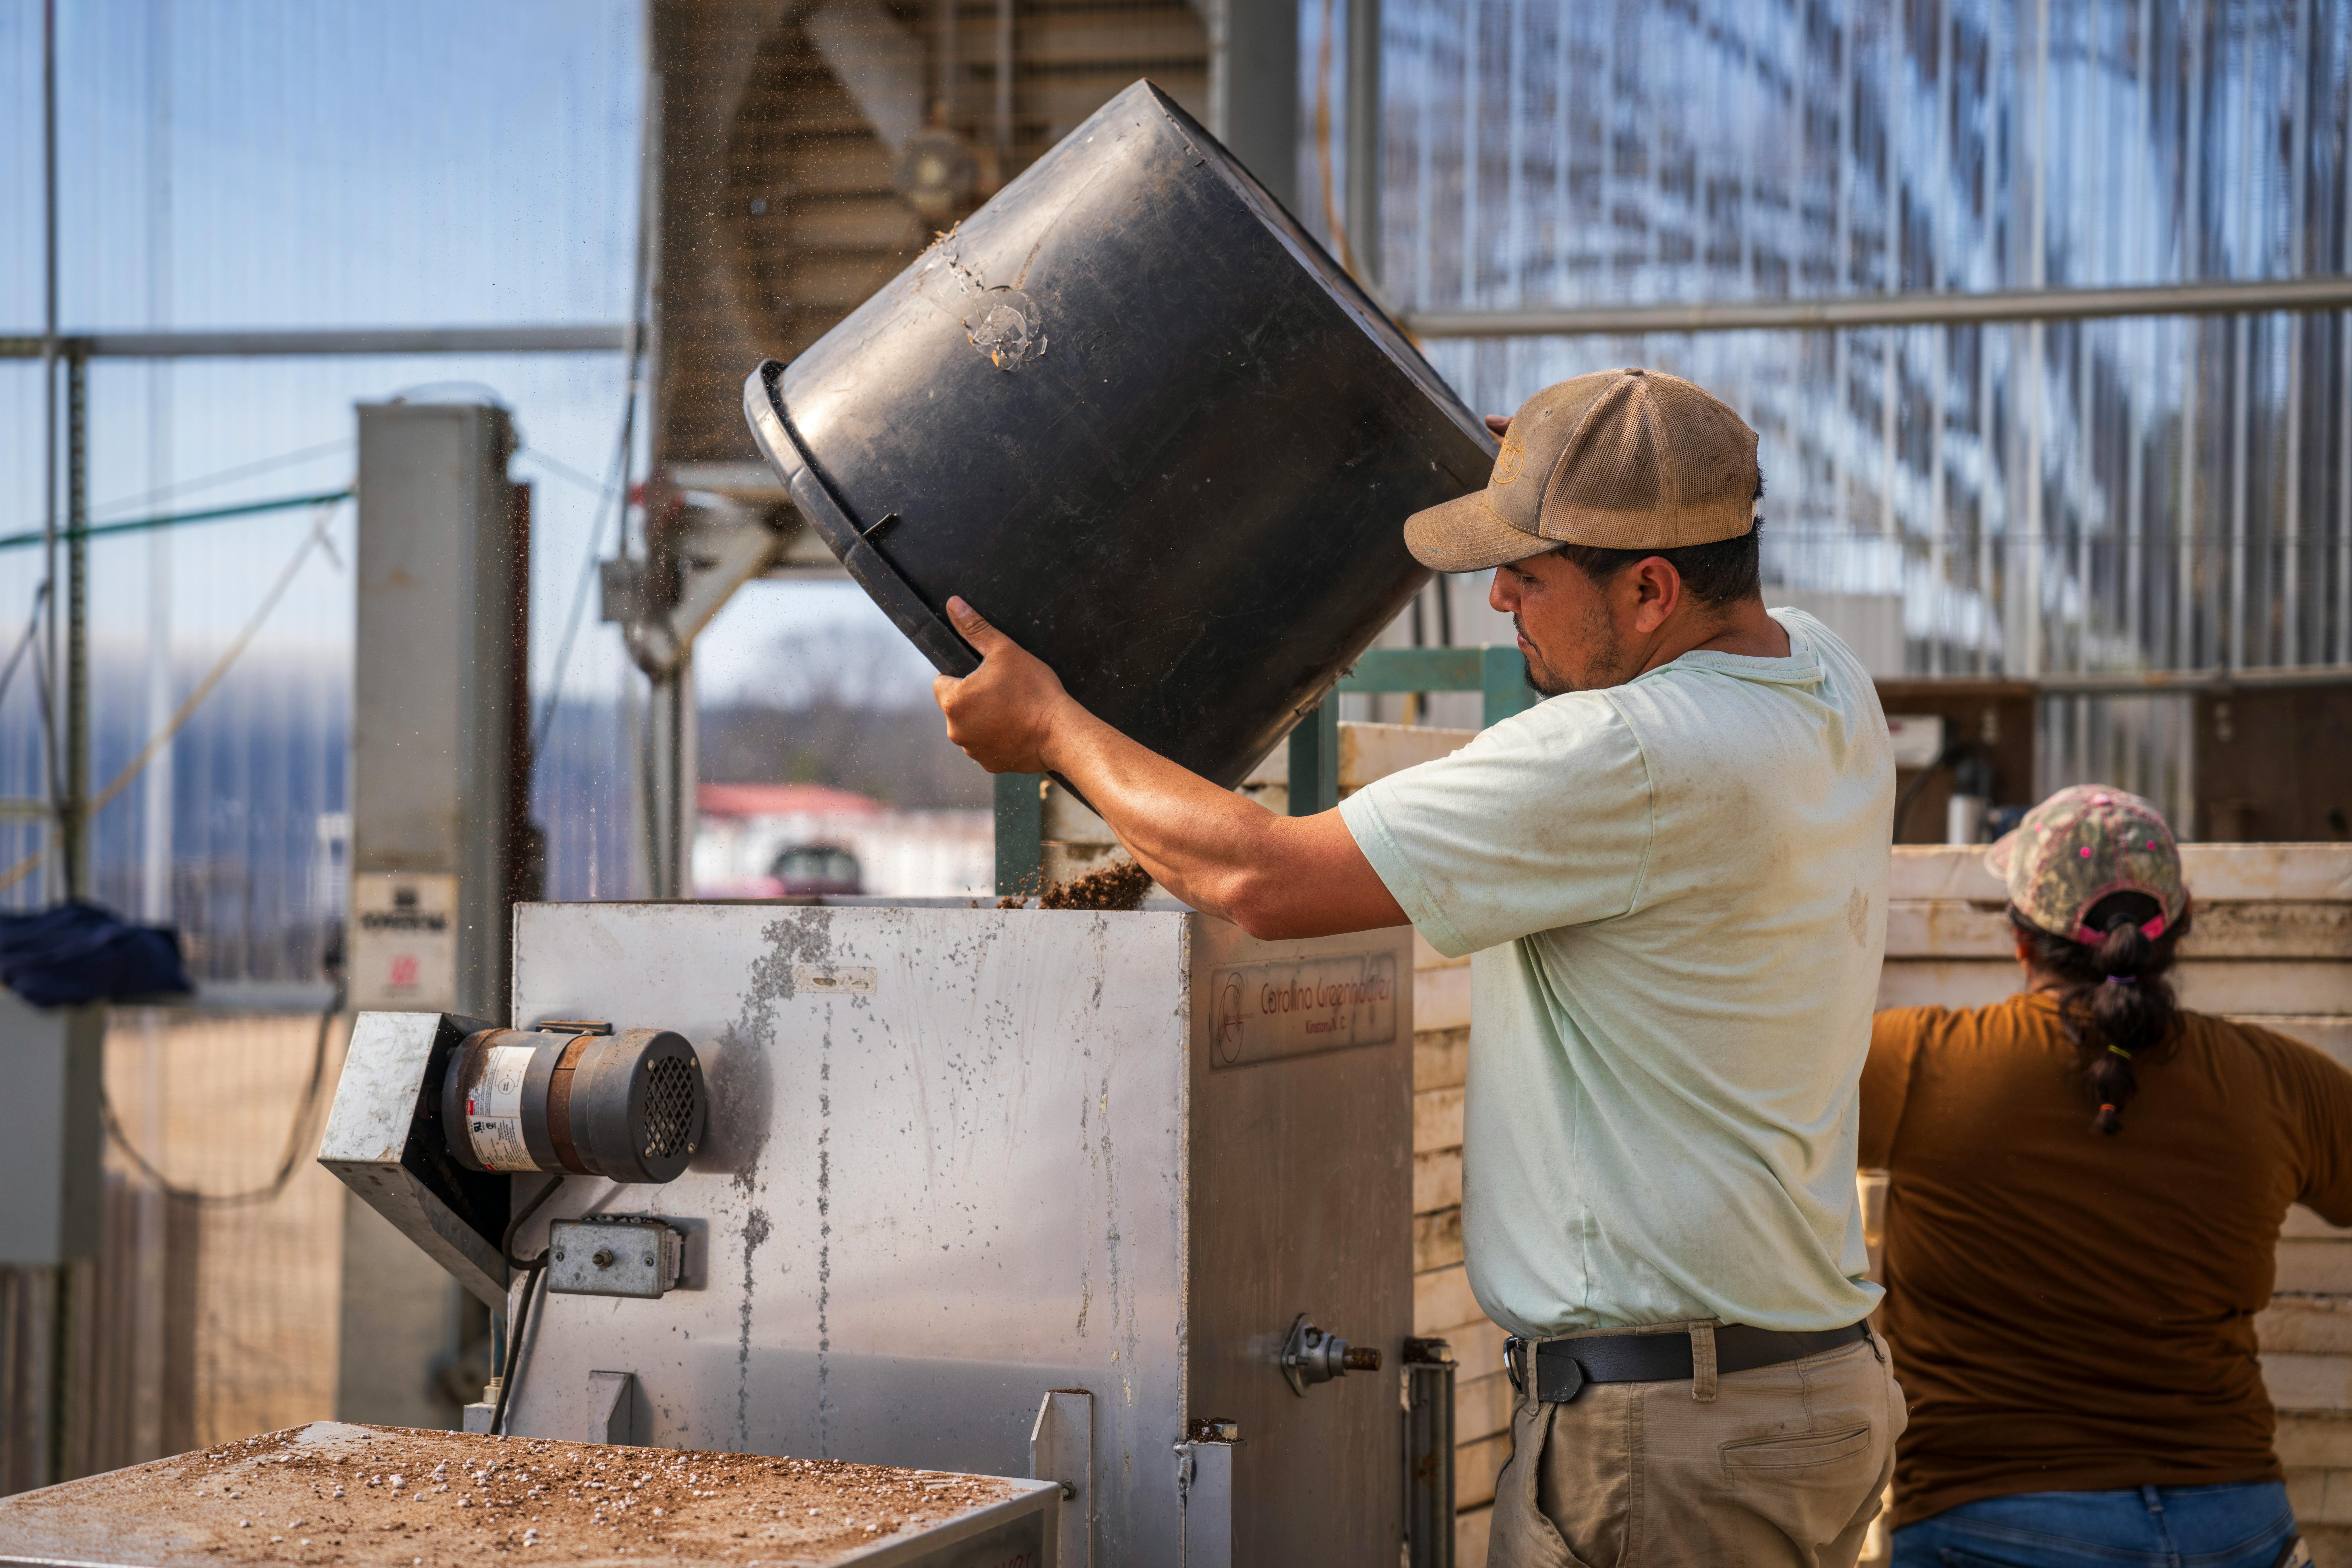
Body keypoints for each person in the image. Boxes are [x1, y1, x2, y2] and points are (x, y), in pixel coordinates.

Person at [931, 366, 1905, 1566]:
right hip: (1798, 1391)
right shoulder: (1819, 678)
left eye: (1528, 572)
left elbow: (1261, 880)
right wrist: (1556, 467)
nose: (1499, 597)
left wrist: (1050, 730)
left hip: (1668, 1441)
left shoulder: (1633, 752)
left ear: (1651, 588)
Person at [1863, 785, 2352, 1568]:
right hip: (2234, 1524)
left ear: (2021, 938)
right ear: (2179, 929)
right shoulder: (2281, 1083)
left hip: (1990, 1523)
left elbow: (1745, 1139)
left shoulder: (1918, 1064)